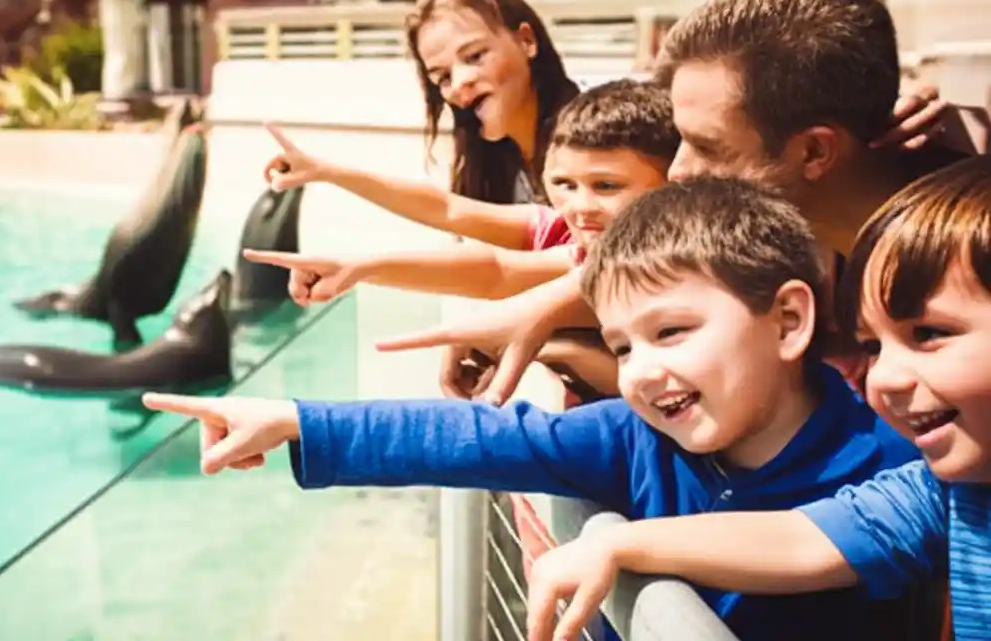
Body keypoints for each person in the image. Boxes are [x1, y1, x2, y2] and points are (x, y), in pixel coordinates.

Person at [143, 176, 922, 641]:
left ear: (788, 321)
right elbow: (479, 436)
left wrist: (627, 545)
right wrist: (296, 421)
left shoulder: (896, 463)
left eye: (673, 332)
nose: (644, 372)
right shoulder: (634, 435)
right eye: (622, 347)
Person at [373, 0, 967, 407]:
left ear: (814, 151)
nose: (677, 172)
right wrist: (535, 313)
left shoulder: (957, 239)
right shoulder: (807, 237)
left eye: (707, 146)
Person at [521, 154, 991, 641]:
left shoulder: (905, 466)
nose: (885, 377)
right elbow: (800, 539)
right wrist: (617, 545)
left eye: (931, 333)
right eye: (873, 347)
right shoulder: (942, 496)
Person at [249, 79, 677, 399]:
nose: (581, 205)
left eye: (606, 186)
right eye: (565, 184)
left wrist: (547, 347)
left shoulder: (667, 262)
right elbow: (464, 229)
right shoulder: (572, 239)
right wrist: (357, 265)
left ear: (672, 182)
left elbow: (498, 274)